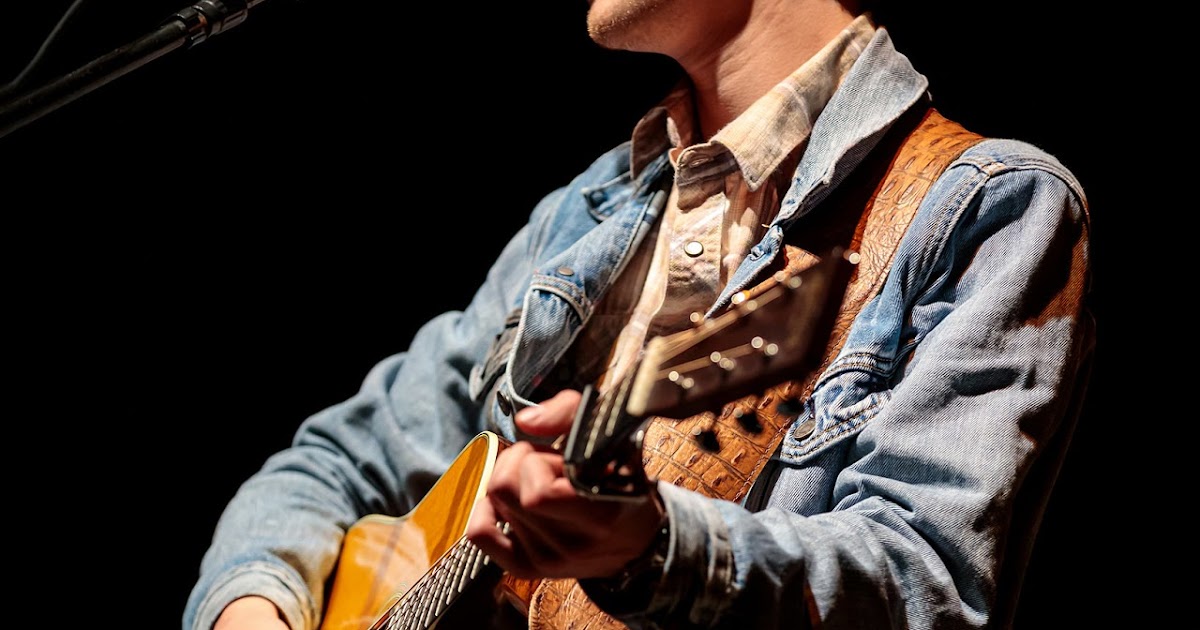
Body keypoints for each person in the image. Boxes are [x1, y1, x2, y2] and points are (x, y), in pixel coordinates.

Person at [183, 1, 1094, 629]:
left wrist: (654, 546)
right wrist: (253, 604)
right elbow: (335, 463)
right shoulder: (586, 215)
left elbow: (922, 589)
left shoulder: (980, 209)